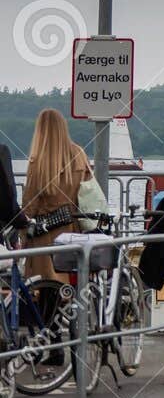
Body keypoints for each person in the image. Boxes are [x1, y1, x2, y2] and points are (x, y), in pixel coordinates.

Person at [19, 108, 91, 280]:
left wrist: (23, 233)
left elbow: (30, 205)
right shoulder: (79, 154)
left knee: (46, 287)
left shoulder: (38, 162)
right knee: (72, 284)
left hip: (45, 234)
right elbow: (88, 190)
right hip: (73, 230)